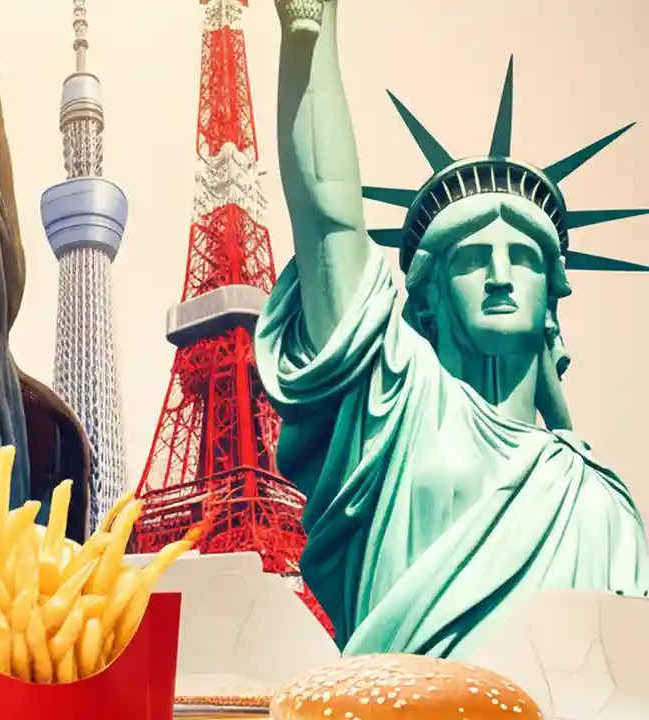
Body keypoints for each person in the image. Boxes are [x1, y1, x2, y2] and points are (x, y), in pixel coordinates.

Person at [255, 0, 649, 660]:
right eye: (473, 259)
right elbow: (330, 225)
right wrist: (310, 35)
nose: (500, 275)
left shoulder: (598, 496)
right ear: (430, 300)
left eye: (521, 258)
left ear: (551, 298)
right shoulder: (399, 406)